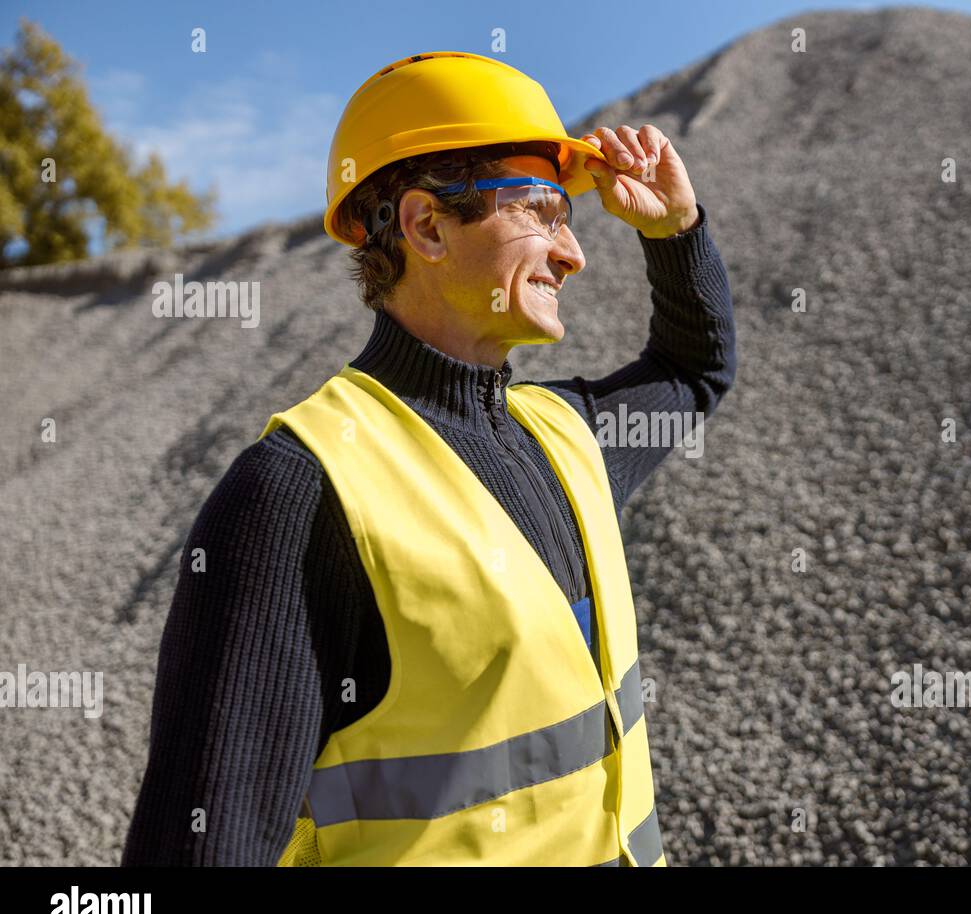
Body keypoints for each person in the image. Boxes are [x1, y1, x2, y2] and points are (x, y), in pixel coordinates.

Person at [121, 51, 736, 866]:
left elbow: (694, 371)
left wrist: (675, 232)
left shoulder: (566, 435)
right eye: (541, 212)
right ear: (426, 226)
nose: (572, 253)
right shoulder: (298, 493)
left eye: (569, 218)